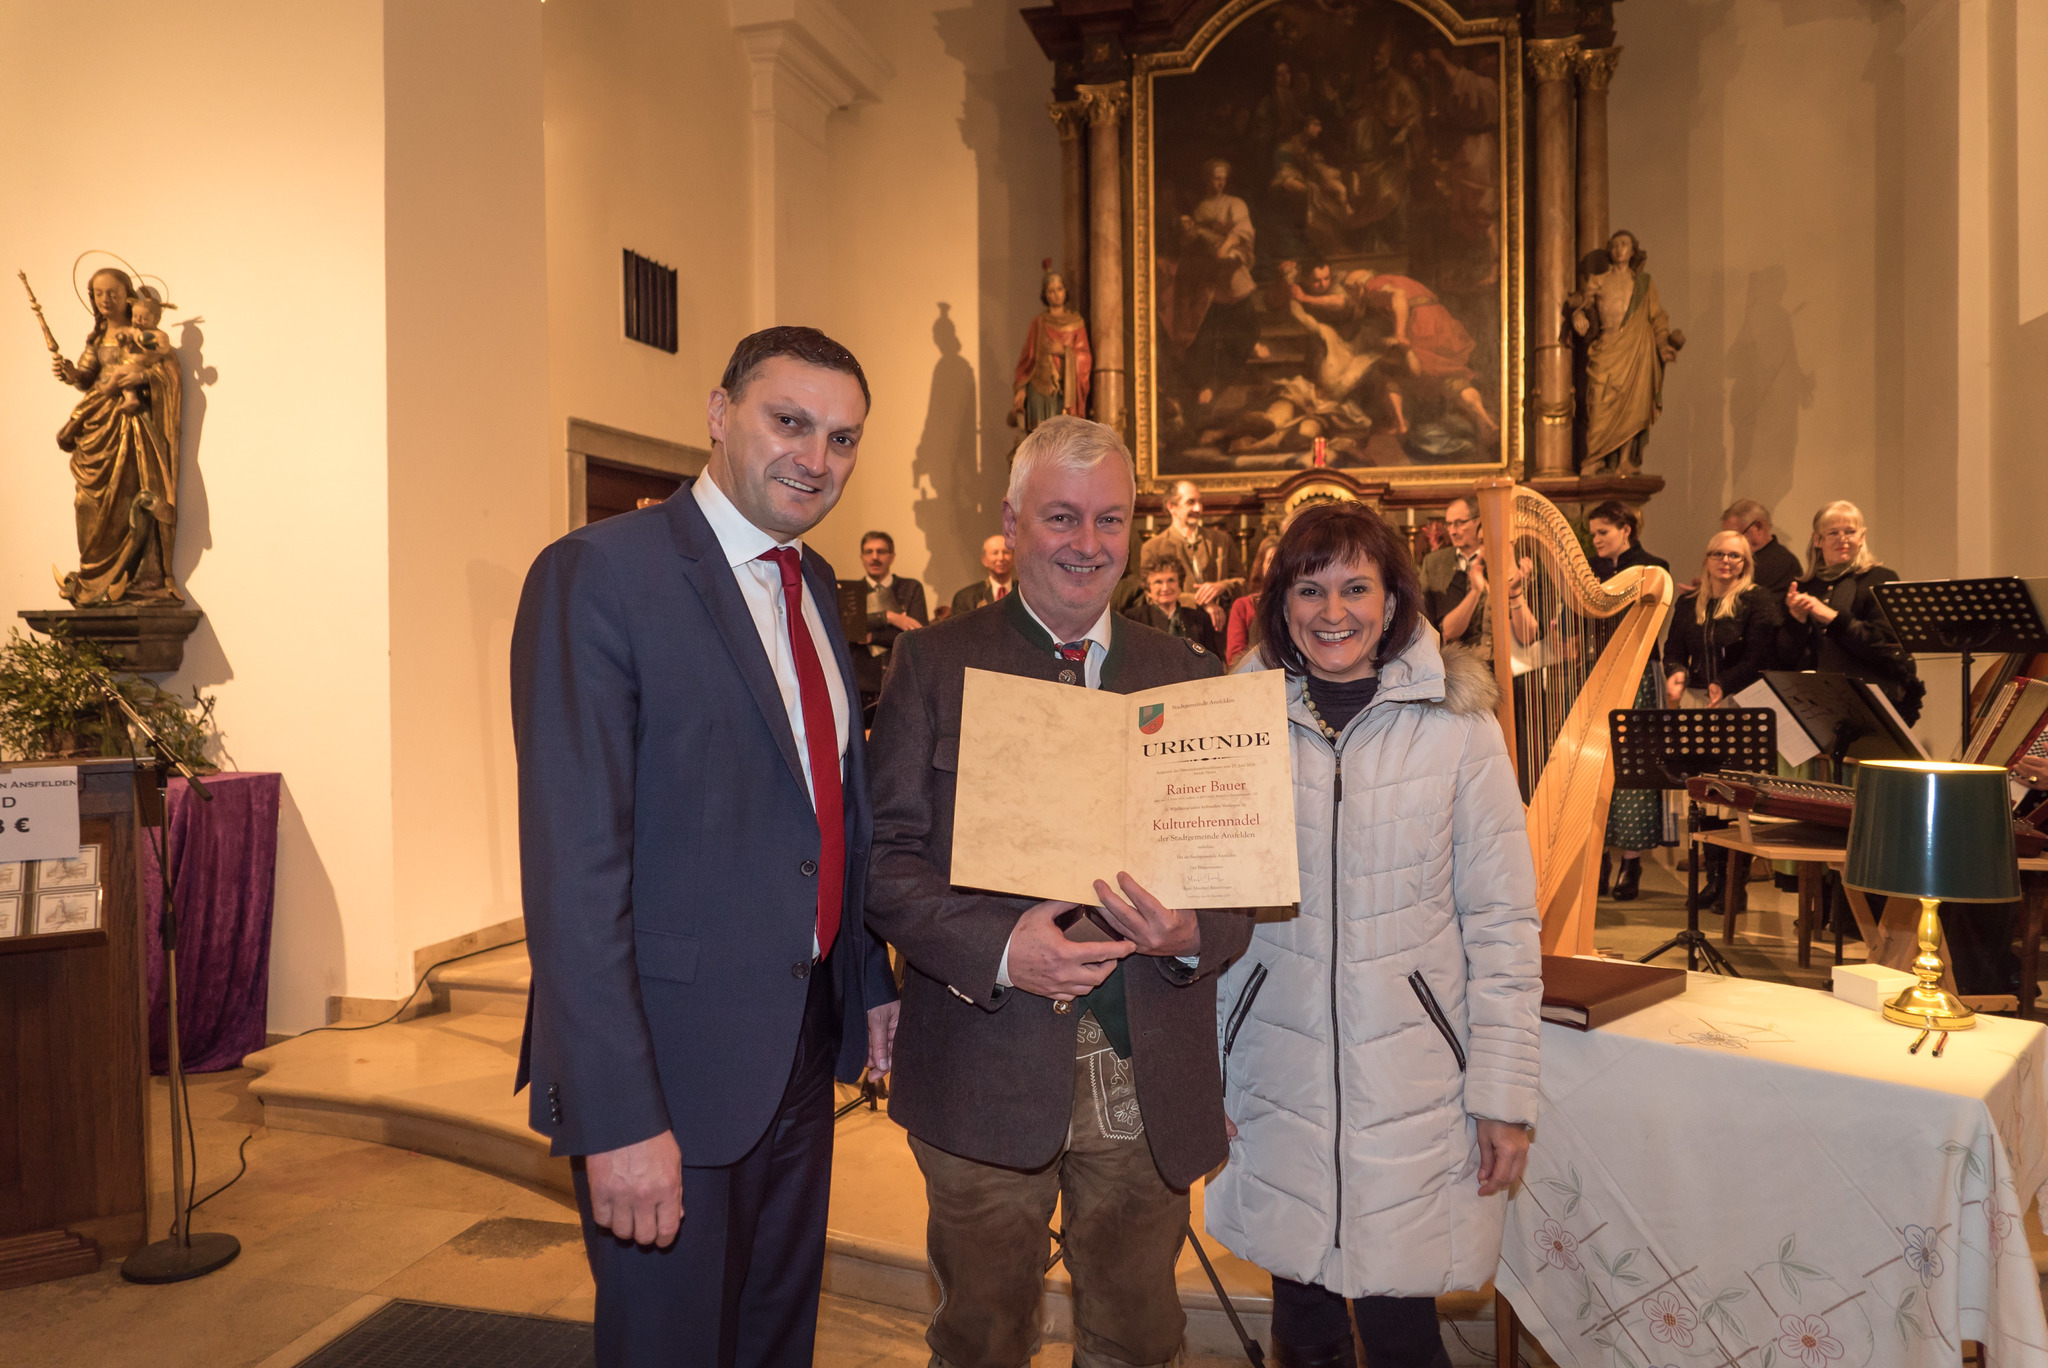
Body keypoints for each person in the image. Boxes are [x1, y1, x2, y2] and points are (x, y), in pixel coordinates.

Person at [510, 326, 900, 1368]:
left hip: (796, 1056)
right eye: (789, 422)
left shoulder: (812, 586)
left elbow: (827, 813)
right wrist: (618, 1117)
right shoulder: (598, 575)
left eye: (842, 438)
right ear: (718, 413)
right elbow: (573, 877)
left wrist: (863, 984)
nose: (815, 459)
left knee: (774, 1342)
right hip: (669, 1079)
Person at [865, 414, 1254, 1368]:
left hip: (1145, 1072)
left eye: (1111, 520)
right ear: (1011, 520)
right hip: (983, 1062)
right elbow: (882, 862)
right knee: (982, 1337)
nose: (1089, 545)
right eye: (1062, 518)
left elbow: (1239, 885)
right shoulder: (934, 663)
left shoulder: (1189, 673)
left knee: (1137, 1334)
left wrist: (1192, 930)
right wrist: (1002, 948)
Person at [1208, 501, 1540, 1368]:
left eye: (1356, 587)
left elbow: (1503, 923)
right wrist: (1204, 1067)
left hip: (1414, 1076)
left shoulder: (1460, 730)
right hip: (1274, 1068)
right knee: (1303, 1319)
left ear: (1394, 601)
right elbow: (1202, 916)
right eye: (1309, 589)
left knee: (1401, 1331)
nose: (1332, 612)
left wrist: (1504, 1096)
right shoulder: (1229, 729)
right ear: (1280, 606)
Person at [1662, 530, 1782, 909]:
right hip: (1700, 703)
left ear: (1745, 563)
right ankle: (1713, 882)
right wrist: (1678, 674)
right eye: (1718, 554)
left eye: (1735, 556)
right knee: (1705, 793)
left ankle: (1735, 888)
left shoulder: (1756, 601)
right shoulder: (1688, 604)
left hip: (1738, 703)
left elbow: (1761, 656)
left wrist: (1723, 683)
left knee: (1732, 797)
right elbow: (1674, 651)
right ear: (1707, 558)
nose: (1726, 561)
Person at [1585, 501, 1671, 902]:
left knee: (1632, 768)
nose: (1596, 540)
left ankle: (1631, 863)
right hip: (1598, 674)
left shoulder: (1653, 567)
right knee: (1595, 765)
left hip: (1639, 675)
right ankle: (1597, 859)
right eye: (1594, 533)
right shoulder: (1589, 570)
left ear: (1626, 529)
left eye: (1603, 531)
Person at [1779, 500, 1923, 724]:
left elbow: (1885, 646)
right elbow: (1788, 657)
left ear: (1862, 536)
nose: (1843, 539)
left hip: (1875, 698)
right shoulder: (1807, 586)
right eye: (1833, 533)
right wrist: (1796, 621)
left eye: (1850, 532)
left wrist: (1832, 618)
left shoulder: (1879, 579)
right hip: (1820, 702)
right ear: (1817, 539)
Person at [1418, 496, 1536, 664]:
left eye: (1459, 523)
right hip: (1458, 662)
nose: (1452, 531)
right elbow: (1432, 621)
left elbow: (1528, 634)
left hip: (1511, 662)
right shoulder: (1437, 563)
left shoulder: (1512, 563)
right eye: (1449, 524)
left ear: (1479, 521)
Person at [1140, 480, 1245, 631]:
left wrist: (1222, 586)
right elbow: (1151, 595)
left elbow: (1243, 582)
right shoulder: (1153, 547)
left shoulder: (1221, 540)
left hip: (1219, 630)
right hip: (1178, 630)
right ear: (1172, 507)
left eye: (1200, 502)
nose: (1198, 508)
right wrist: (1200, 602)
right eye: (1191, 502)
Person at [853, 530, 929, 709]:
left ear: (892, 556)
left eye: (881, 551)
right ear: (862, 557)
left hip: (902, 681)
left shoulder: (911, 588)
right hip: (862, 684)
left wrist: (872, 637)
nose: (875, 557)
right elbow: (851, 631)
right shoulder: (851, 592)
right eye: (869, 552)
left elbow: (918, 636)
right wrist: (890, 617)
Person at [1124, 553, 1221, 655]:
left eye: (1171, 580)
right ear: (1148, 590)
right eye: (1158, 582)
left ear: (1180, 586)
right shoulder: (1134, 618)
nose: (1165, 588)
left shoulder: (1200, 619)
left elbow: (1213, 661)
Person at [1718, 498, 1802, 598]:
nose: (1728, 542)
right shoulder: (1745, 560)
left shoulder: (1781, 563)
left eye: (1734, 535)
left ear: (1758, 526)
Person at [1225, 540, 1279, 667]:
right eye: (1271, 560)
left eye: (1280, 560)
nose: (1276, 565)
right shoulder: (1243, 606)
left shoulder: (1297, 603)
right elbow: (1235, 657)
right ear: (1261, 566)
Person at [950, 533, 1016, 615]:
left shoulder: (1026, 592)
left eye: (1006, 552)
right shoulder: (965, 598)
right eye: (995, 553)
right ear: (984, 560)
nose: (1001, 558)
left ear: (1014, 558)